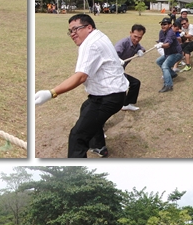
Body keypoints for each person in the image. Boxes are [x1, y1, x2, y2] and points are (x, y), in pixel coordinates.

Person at [33, 14, 128, 158]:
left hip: (108, 97)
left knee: (77, 137)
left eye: (76, 29)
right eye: (70, 31)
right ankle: (98, 146)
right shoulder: (99, 36)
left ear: (89, 27)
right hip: (113, 93)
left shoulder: (90, 44)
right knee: (86, 109)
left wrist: (52, 93)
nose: (72, 34)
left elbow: (80, 76)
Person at [114, 24, 146, 111]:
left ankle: (125, 104)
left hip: (120, 71)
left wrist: (141, 51)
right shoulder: (123, 43)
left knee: (135, 83)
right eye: (135, 36)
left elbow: (142, 48)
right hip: (112, 72)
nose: (137, 39)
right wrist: (118, 59)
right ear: (130, 33)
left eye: (140, 37)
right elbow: (112, 55)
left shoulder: (136, 44)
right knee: (120, 88)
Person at [154, 17, 182, 93]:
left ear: (170, 25)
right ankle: (172, 74)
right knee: (159, 61)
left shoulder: (171, 33)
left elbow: (167, 45)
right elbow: (161, 41)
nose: (163, 26)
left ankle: (168, 85)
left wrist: (161, 45)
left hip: (176, 53)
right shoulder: (161, 32)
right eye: (162, 24)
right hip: (168, 53)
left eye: (165, 24)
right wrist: (159, 43)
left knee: (165, 66)